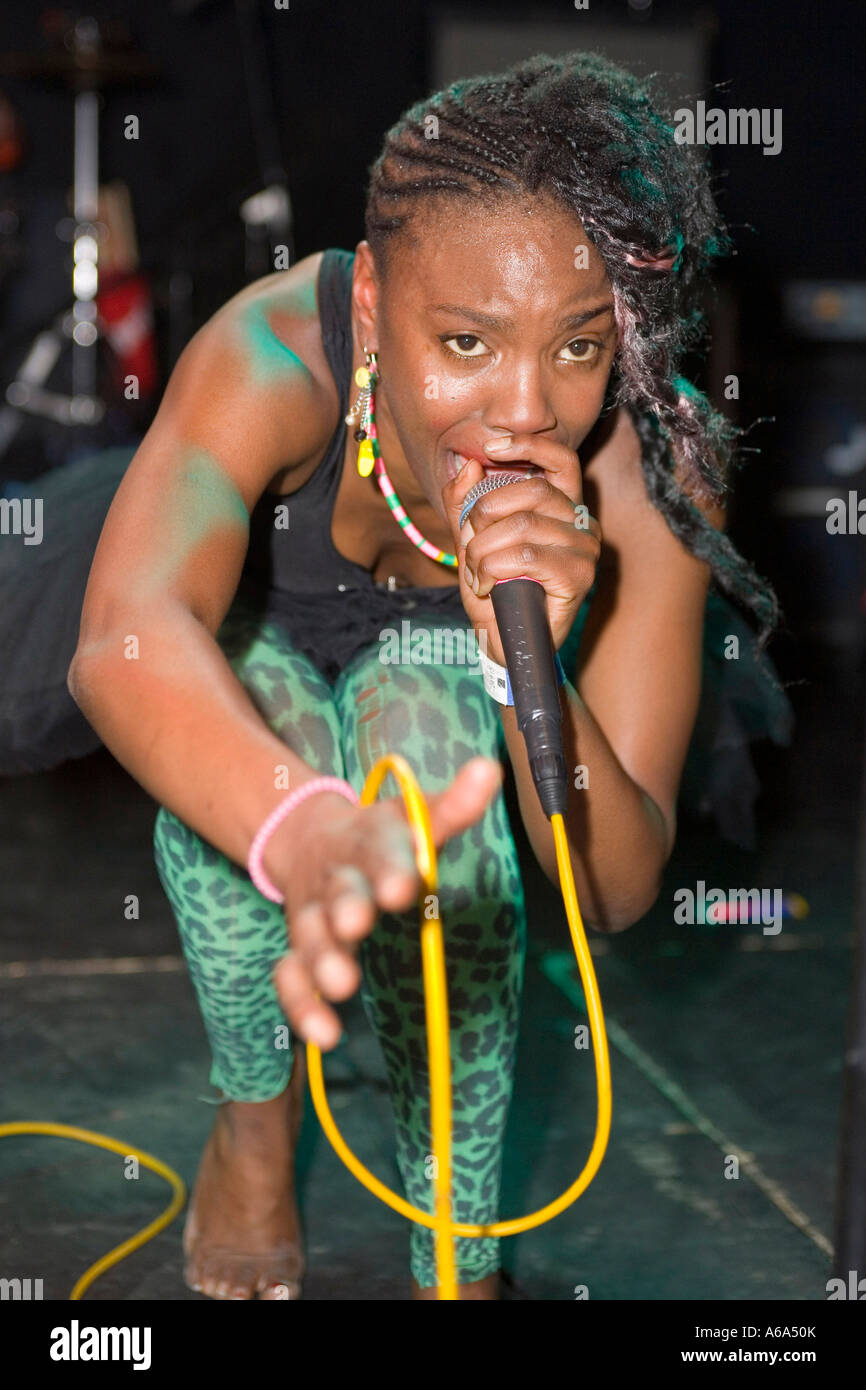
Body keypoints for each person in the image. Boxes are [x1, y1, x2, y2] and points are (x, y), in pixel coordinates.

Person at [64, 50, 789, 1300]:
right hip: (249, 655)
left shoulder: (642, 455)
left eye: (576, 344)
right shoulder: (275, 353)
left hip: (447, 674)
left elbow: (612, 890)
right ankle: (253, 1117)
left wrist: (534, 669)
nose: (525, 411)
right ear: (366, 307)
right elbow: (127, 633)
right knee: (258, 719)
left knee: (433, 724)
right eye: (463, 340)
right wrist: (300, 829)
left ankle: (458, 1246)